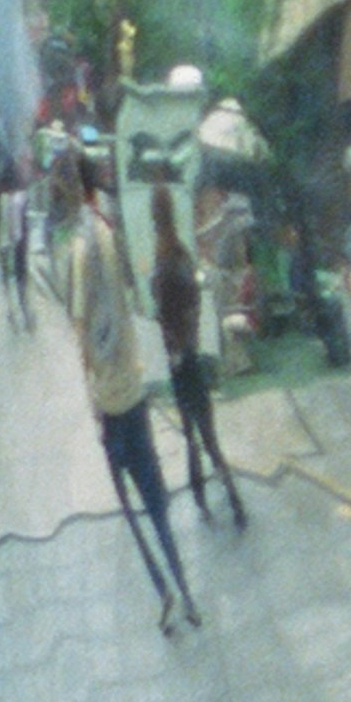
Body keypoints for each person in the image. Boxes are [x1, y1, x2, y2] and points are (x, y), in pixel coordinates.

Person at [64, 185, 201, 636]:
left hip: (109, 406)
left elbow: (82, 333)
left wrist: (92, 399)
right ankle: (185, 592)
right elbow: (133, 306)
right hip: (135, 398)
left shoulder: (80, 252)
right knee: (157, 506)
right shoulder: (112, 241)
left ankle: (165, 590)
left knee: (132, 511)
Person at [147, 187, 248, 533]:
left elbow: (161, 310)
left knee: (191, 436)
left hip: (178, 363)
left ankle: (203, 501)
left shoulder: (162, 260)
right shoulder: (181, 254)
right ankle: (233, 501)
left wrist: (172, 343)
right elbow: (193, 299)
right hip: (191, 355)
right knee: (209, 436)